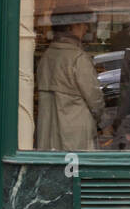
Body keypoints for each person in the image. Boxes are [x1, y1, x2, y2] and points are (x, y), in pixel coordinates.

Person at [35, 9, 103, 151]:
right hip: (74, 135)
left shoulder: (46, 57)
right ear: (71, 26)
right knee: (75, 172)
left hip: (47, 134)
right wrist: (101, 120)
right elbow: (95, 99)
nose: (86, 28)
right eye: (83, 24)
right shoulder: (78, 58)